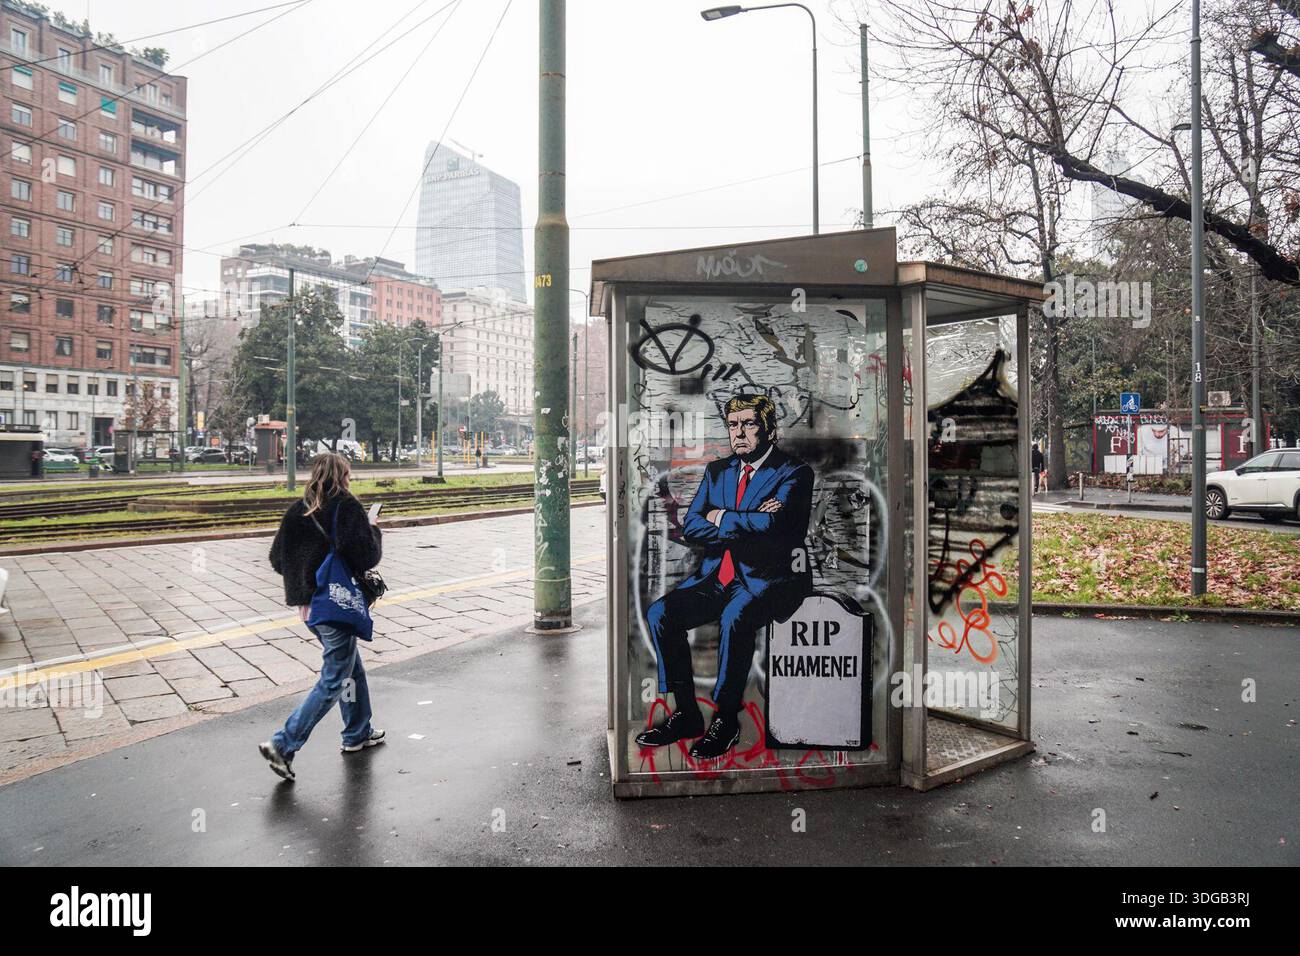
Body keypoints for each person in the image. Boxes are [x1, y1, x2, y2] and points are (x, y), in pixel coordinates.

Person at [636, 395, 814, 761]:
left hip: (771, 579)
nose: (740, 433)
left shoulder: (794, 473)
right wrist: (745, 521)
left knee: (736, 617)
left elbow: (779, 528)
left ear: (769, 430)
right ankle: (686, 714)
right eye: (734, 425)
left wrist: (722, 516)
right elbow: (693, 527)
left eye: (749, 424)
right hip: (718, 576)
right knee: (661, 614)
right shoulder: (718, 471)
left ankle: (726, 719)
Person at [259, 452, 384, 781]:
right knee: (332, 679)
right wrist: (374, 530)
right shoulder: (346, 507)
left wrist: (306, 576)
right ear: (343, 475)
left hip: (310, 606)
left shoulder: (297, 509)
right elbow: (367, 555)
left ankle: (357, 732)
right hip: (335, 605)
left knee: (349, 669)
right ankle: (282, 744)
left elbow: (276, 558)